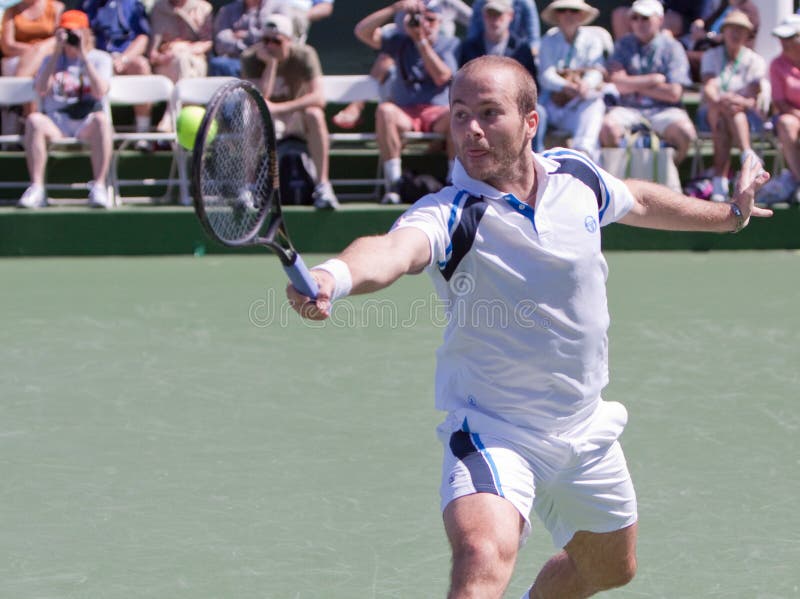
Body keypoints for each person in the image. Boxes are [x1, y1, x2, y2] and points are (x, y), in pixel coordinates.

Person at [286, 55, 771, 599]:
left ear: (530, 121)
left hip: (585, 424)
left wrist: (730, 215)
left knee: (611, 567)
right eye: (460, 112)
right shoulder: (450, 213)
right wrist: (336, 274)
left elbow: (639, 199)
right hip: (497, 430)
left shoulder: (576, 176)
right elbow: (394, 250)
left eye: (489, 113)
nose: (470, 129)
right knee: (483, 557)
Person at [354, 0, 460, 204]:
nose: (425, 24)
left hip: (438, 113)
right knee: (385, 111)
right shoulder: (399, 39)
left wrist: (421, 42)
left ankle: (452, 182)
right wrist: (395, 9)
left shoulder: (450, 44)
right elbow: (362, 32)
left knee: (458, 113)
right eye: (421, 19)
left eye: (431, 20)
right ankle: (394, 183)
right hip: (406, 113)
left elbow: (442, 76)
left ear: (440, 22)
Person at [240, 13, 339, 209]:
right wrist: (271, 65)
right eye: (265, 40)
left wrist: (280, 108)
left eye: (276, 41)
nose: (269, 46)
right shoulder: (250, 58)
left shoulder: (305, 55)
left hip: (297, 117)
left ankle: (322, 186)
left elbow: (319, 98)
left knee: (315, 114)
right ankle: (249, 188)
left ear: (289, 40)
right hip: (268, 119)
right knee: (253, 118)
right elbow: (258, 100)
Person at [17, 9, 113, 209]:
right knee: (34, 120)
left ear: (85, 33)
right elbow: (41, 89)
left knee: (103, 121)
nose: (69, 37)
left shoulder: (100, 58)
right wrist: (56, 53)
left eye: (74, 32)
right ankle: (37, 188)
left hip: (86, 121)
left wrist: (83, 56)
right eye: (65, 31)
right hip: (57, 121)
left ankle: (99, 186)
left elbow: (100, 91)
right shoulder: (50, 60)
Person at [600, 0, 697, 165]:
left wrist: (632, 84)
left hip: (664, 110)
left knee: (685, 132)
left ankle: (665, 173)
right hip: (627, 109)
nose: (639, 23)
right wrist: (653, 80)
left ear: (659, 20)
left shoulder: (673, 47)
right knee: (607, 128)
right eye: (635, 18)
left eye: (645, 18)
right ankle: (623, 177)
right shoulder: (623, 44)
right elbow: (617, 84)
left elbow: (673, 94)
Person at [697, 9, 765, 202]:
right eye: (732, 29)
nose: (735, 34)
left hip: (744, 115)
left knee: (726, 116)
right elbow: (710, 87)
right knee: (723, 112)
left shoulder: (755, 61)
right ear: (724, 32)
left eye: (740, 30)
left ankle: (719, 181)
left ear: (747, 35)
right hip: (714, 110)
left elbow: (752, 98)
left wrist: (729, 101)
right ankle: (748, 154)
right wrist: (723, 101)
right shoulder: (711, 56)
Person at [537, 0, 609, 161]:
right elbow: (545, 75)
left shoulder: (593, 39)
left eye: (574, 10)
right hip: (552, 105)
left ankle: (583, 154)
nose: (568, 14)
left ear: (582, 15)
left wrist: (585, 85)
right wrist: (564, 85)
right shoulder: (548, 40)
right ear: (557, 15)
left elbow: (596, 70)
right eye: (563, 10)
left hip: (579, 104)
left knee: (595, 103)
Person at [82, 0, 152, 145]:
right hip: (98, 60)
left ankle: (143, 134)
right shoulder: (88, 5)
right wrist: (100, 58)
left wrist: (124, 59)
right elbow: (84, 36)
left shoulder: (133, 5)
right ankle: (96, 133)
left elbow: (143, 38)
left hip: (124, 59)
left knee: (141, 65)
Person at [756, 14, 800, 206]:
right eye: (782, 38)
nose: (784, 42)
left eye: (789, 38)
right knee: (786, 124)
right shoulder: (777, 65)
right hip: (791, 115)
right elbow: (781, 103)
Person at [1, 0, 64, 77]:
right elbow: (7, 46)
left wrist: (40, 50)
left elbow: (59, 39)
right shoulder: (11, 10)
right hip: (18, 56)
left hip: (49, 53)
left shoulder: (56, 7)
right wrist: (35, 50)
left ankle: (18, 84)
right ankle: (19, 83)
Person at [209, 0, 268, 77]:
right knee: (217, 63)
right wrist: (245, 46)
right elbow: (221, 42)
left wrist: (246, 35)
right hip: (235, 58)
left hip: (263, 58)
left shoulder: (277, 6)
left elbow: (268, 37)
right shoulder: (227, 9)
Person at [466, 0, 540, 55]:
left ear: (511, 15)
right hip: (484, 51)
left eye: (498, 15)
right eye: (490, 14)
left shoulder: (526, 3)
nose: (494, 19)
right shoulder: (479, 3)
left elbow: (534, 41)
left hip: (517, 52)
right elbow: (471, 38)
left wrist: (524, 55)